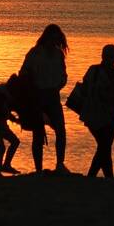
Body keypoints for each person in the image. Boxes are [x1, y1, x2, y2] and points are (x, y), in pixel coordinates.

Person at [20, 24, 69, 173]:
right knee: (38, 133)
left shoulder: (58, 54)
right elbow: (23, 73)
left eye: (57, 38)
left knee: (61, 131)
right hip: (37, 95)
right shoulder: (35, 53)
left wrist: (60, 84)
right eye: (53, 37)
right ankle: (39, 169)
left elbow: (63, 74)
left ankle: (59, 164)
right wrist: (31, 89)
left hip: (53, 95)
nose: (54, 41)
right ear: (47, 36)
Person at [80, 44, 114, 178]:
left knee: (105, 147)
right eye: (108, 55)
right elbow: (84, 89)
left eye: (113, 56)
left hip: (111, 115)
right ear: (102, 55)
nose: (110, 58)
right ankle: (101, 176)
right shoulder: (93, 70)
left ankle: (100, 177)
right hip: (94, 114)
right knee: (104, 146)